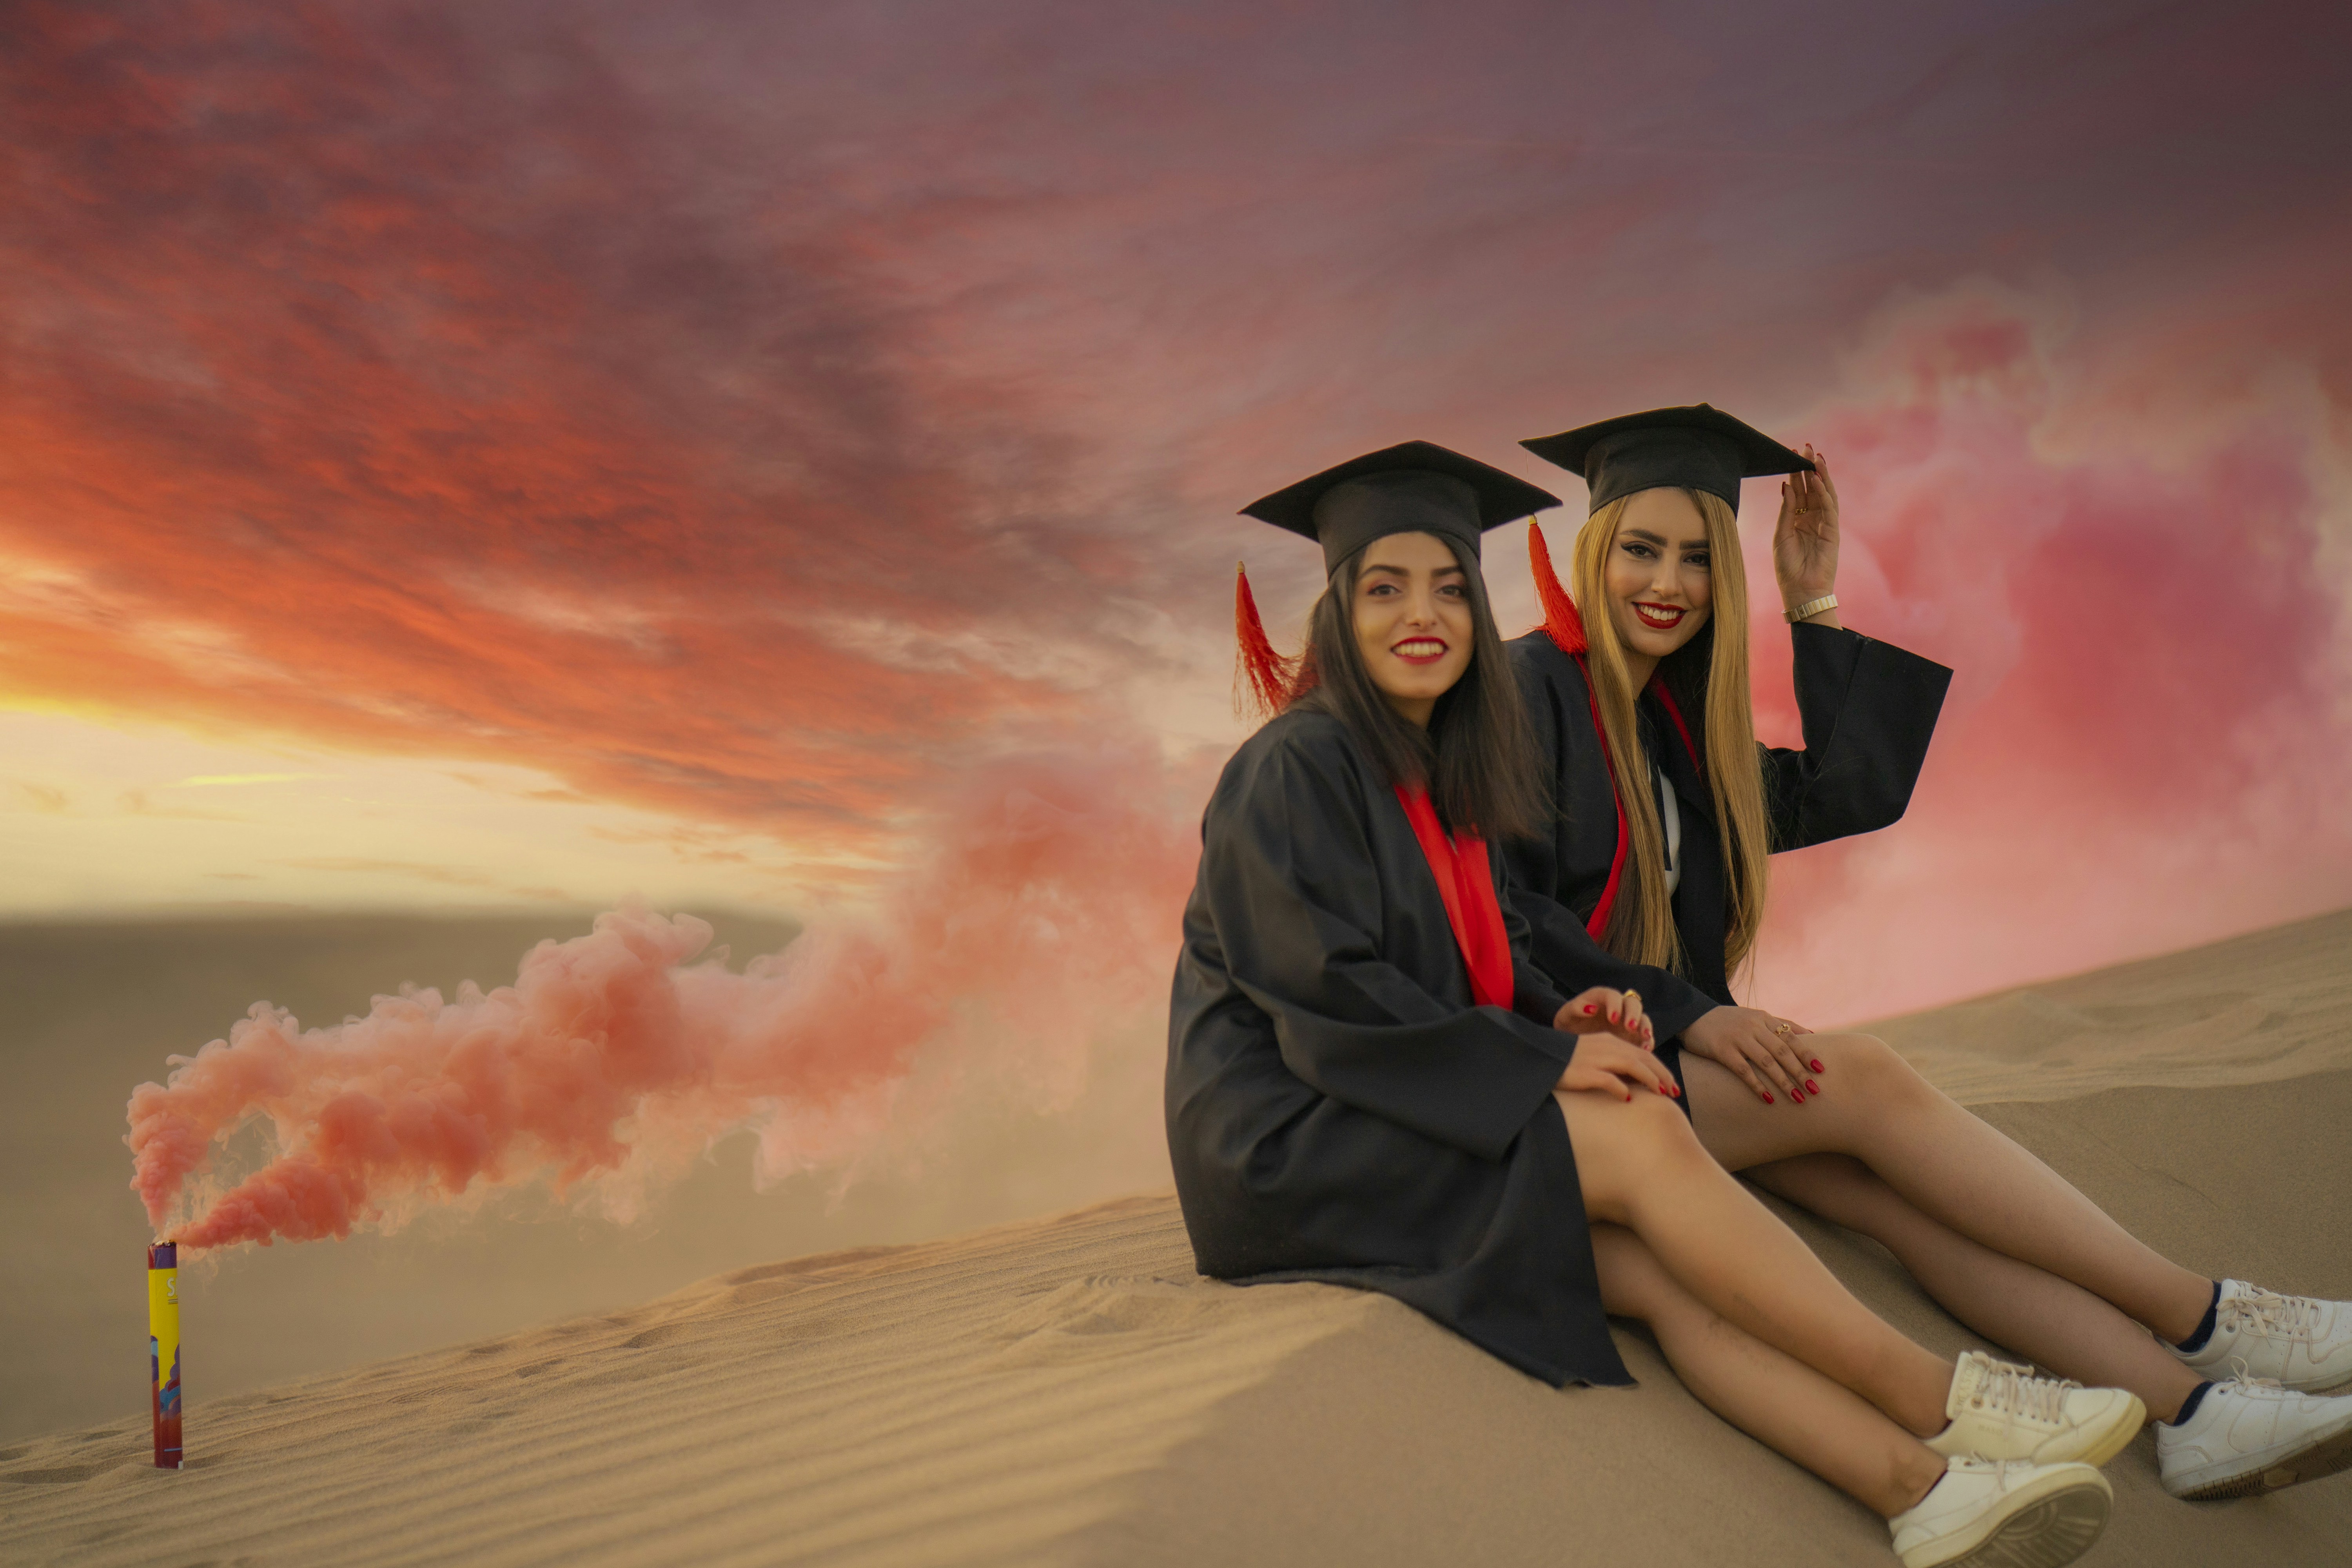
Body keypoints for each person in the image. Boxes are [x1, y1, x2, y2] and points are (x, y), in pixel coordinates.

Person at [1166, 440, 2142, 1567]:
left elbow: (1476, 952)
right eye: (1384, 588)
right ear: (1338, 613)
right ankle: (1946, 1398)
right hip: (1283, 1143)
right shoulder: (1297, 764)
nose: (1421, 614)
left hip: (1380, 1113)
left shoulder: (1440, 769)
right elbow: (1324, 996)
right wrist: (1541, 1065)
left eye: (1450, 587)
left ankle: (1923, 1491)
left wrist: (1561, 1018)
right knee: (1642, 1129)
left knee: (1656, 1277)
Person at [1504, 403, 2352, 1504]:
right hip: (1563, 1075)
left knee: (1890, 1198)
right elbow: (1503, 912)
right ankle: (2207, 1315)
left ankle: (2192, 1414)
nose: (1668, 581)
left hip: (1669, 1069)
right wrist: (1692, 1012)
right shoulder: (1525, 693)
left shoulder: (1677, 726)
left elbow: (1850, 788)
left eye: (1700, 558)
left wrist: (1813, 602)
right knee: (1858, 1077)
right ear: (1593, 550)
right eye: (1642, 549)